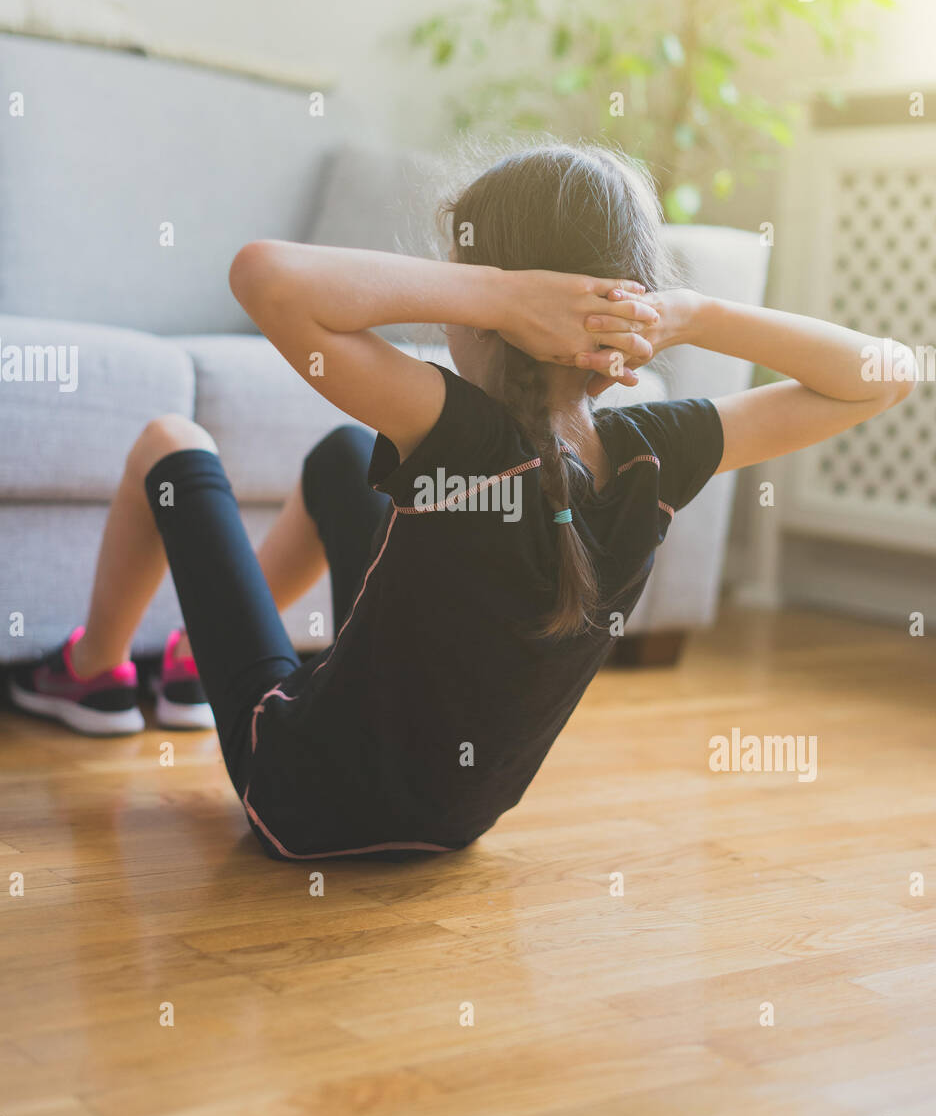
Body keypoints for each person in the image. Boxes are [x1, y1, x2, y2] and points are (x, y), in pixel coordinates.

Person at [9, 144, 915, 859]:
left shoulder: (454, 431)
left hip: (299, 801)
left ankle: (95, 674)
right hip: (458, 824)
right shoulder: (655, 451)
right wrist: (693, 317)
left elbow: (263, 276)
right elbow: (886, 373)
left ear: (496, 306)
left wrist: (502, 296)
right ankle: (184, 667)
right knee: (341, 456)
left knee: (170, 440)